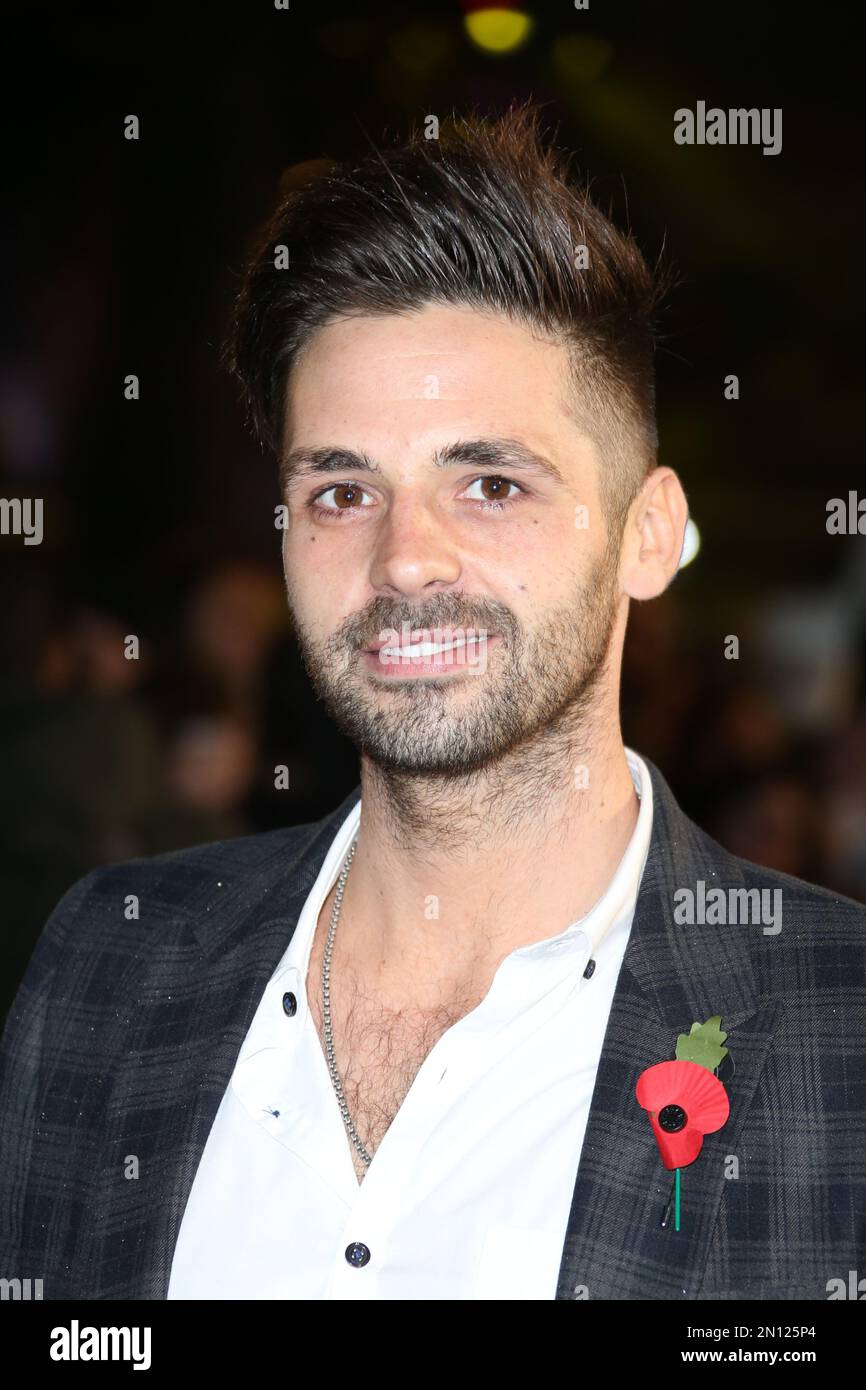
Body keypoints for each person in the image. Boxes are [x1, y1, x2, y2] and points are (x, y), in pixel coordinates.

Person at [1, 105, 864, 1301]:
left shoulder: (840, 1030)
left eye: (491, 481)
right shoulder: (109, 961)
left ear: (647, 535)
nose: (406, 559)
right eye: (343, 492)